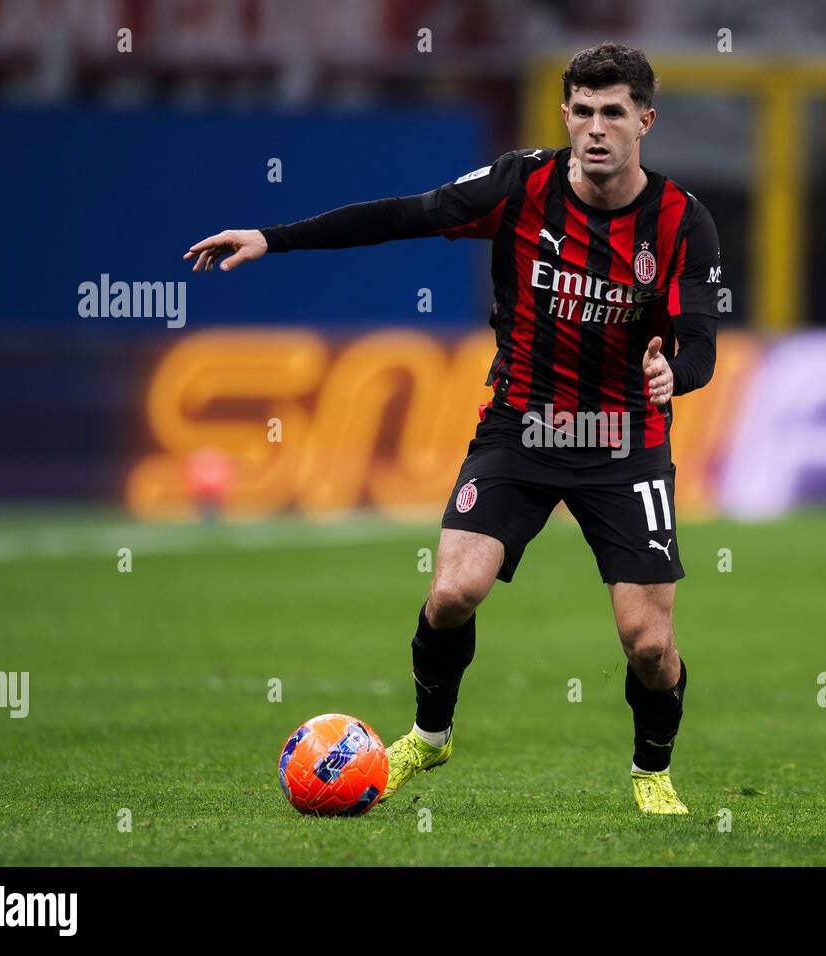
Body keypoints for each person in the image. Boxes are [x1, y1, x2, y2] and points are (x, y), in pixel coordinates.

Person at [184, 42, 722, 814]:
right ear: (565, 115)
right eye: (583, 111)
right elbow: (405, 214)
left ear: (645, 119)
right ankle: (429, 739)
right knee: (452, 593)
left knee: (648, 644)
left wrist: (681, 371)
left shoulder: (681, 222)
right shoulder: (520, 185)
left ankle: (652, 773)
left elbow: (700, 335)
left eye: (614, 112)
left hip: (624, 442)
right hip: (519, 428)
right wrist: (276, 236)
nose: (596, 127)